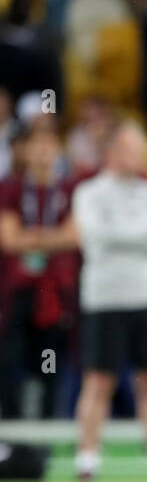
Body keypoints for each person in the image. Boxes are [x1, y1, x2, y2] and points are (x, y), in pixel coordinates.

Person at [69, 122, 147, 482]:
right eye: (132, 149)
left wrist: (130, 236)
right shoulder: (89, 192)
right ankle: (87, 460)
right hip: (105, 299)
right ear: (112, 152)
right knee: (99, 382)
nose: (140, 157)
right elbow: (94, 236)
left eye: (141, 149)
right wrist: (145, 235)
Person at [0, 124, 81, 419]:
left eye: (50, 143)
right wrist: (52, 238)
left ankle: (43, 444)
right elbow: (8, 240)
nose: (44, 151)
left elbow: (74, 236)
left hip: (55, 293)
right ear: (25, 150)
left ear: (59, 149)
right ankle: (9, 439)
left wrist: (31, 238)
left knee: (50, 366)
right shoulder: (11, 188)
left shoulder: (70, 188)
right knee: (8, 364)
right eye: (37, 144)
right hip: (17, 292)